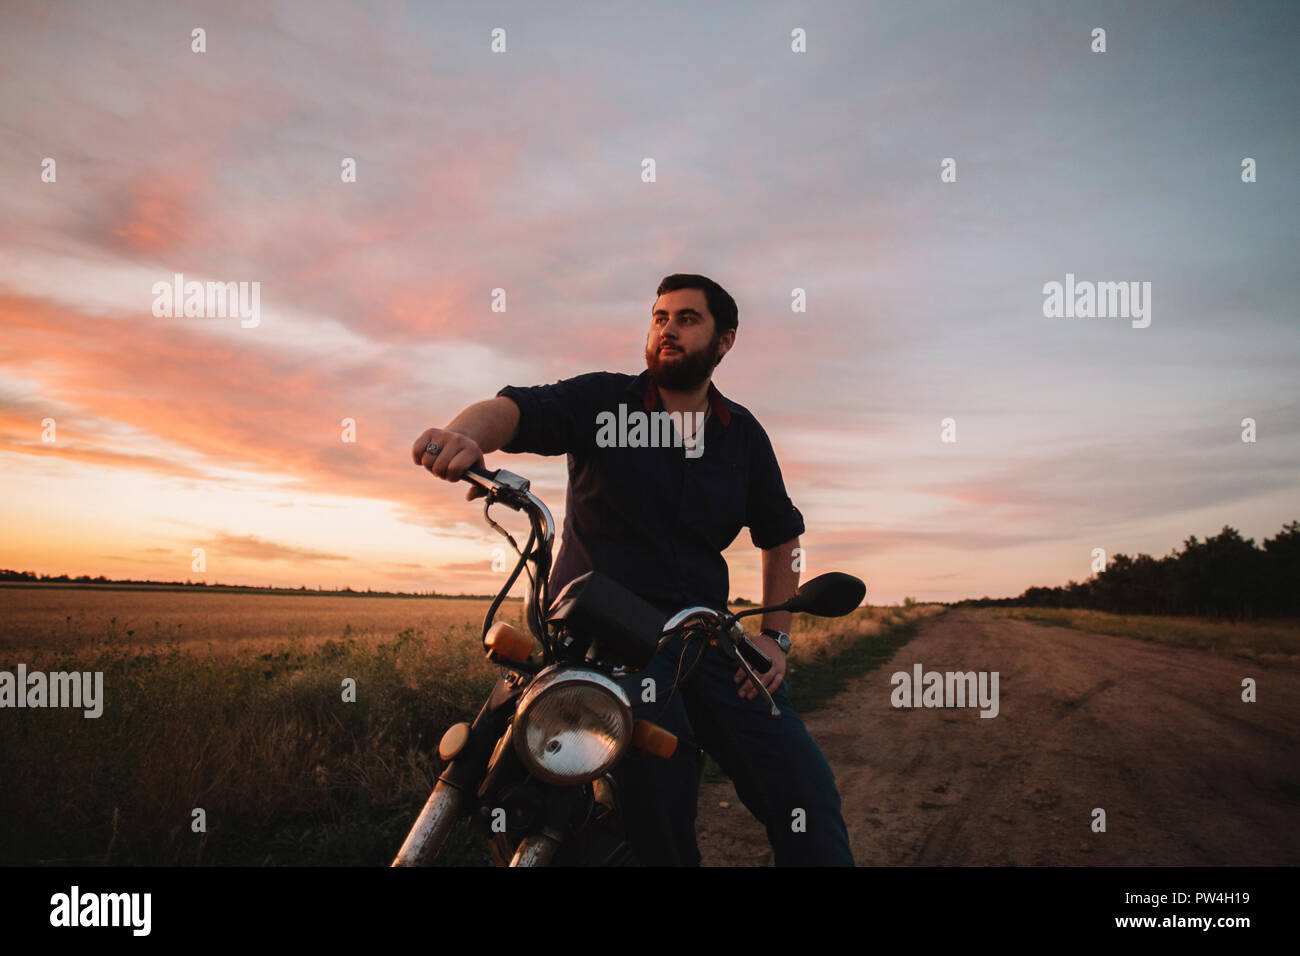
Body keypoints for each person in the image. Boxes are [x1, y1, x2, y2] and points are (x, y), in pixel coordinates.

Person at [411, 273, 853, 866]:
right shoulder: (601, 402)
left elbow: (782, 535)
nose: (668, 328)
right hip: (607, 646)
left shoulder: (741, 435)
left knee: (806, 794)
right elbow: (515, 409)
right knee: (659, 808)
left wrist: (776, 637)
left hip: (705, 636)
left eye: (687, 319)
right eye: (660, 317)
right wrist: (463, 433)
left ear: (725, 340)